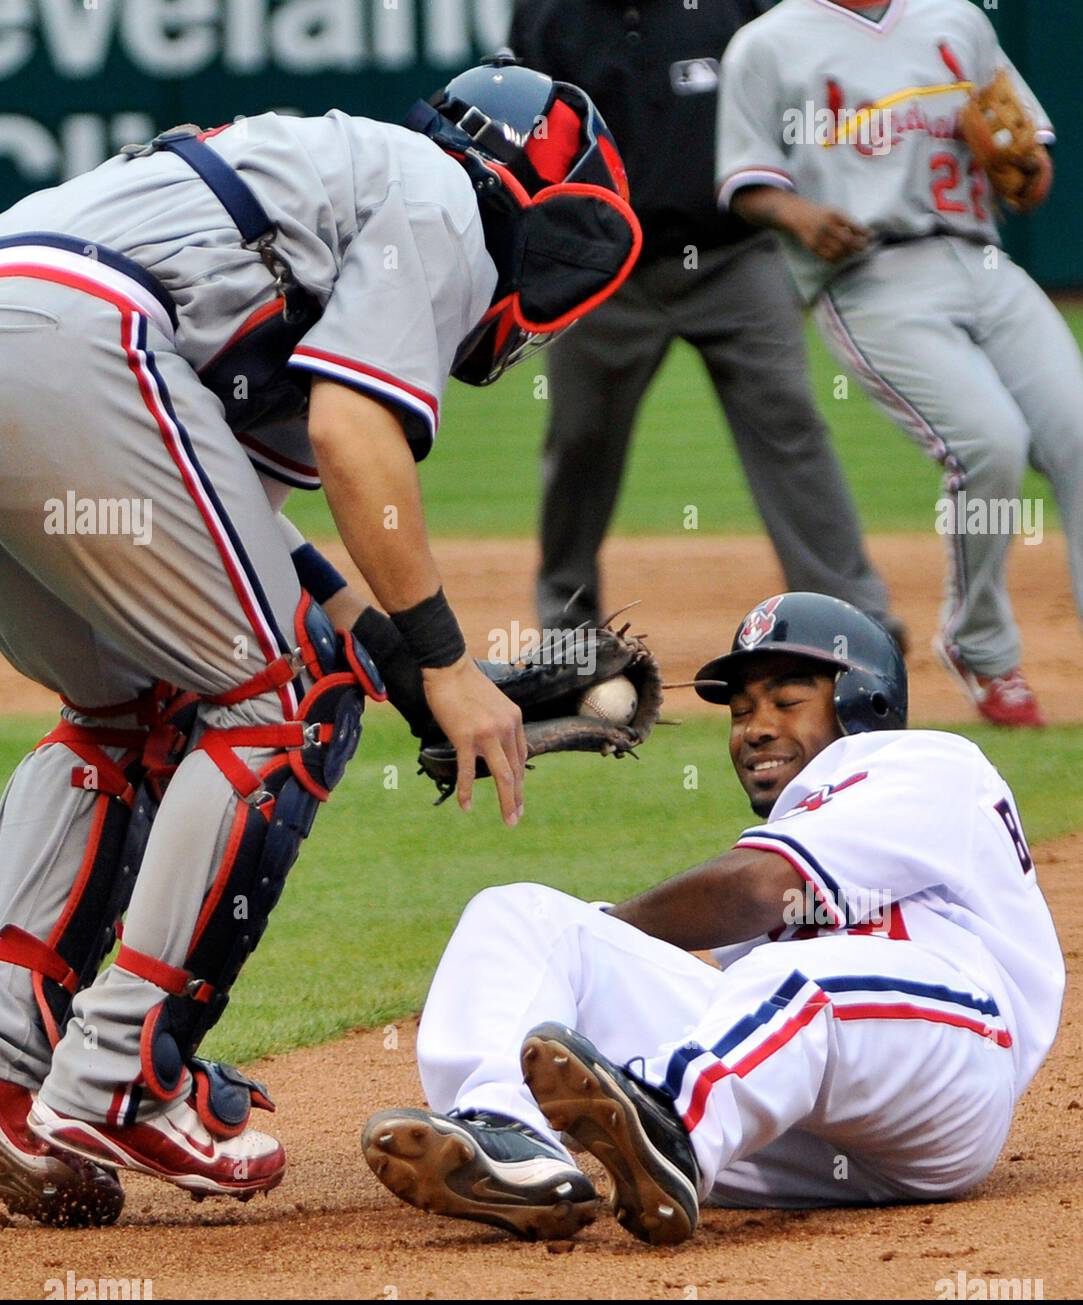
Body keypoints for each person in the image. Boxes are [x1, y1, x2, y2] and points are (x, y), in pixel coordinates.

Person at [0, 60, 641, 1224]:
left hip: (41, 329)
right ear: (525, 197)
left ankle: (7, 1064)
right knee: (283, 705)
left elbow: (246, 532)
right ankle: (120, 1077)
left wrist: (405, 670)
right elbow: (356, 437)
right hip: (78, 338)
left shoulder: (333, 192)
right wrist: (448, 660)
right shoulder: (444, 200)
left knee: (132, 704)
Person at [363, 591, 1063, 1246]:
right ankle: (511, 1138)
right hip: (789, 1136)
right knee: (521, 916)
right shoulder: (800, 835)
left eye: (786, 700)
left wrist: (610, 928)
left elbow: (762, 887)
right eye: (738, 713)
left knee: (791, 975)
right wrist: (572, 944)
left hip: (945, 1086)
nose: (755, 729)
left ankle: (676, 1128)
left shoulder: (926, 764)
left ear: (864, 700)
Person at [716, 0, 1083, 727]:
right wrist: (800, 217)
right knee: (987, 444)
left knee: (1077, 435)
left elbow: (1030, 171)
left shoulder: (955, 20)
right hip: (871, 276)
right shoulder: (767, 43)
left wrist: (1024, 167)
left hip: (981, 261)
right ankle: (980, 645)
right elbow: (744, 182)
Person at [507, 0, 902, 647]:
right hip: (605, 271)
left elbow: (799, 96)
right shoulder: (549, 12)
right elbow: (529, 138)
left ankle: (853, 616)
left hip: (734, 256)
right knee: (579, 439)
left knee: (788, 422)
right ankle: (567, 622)